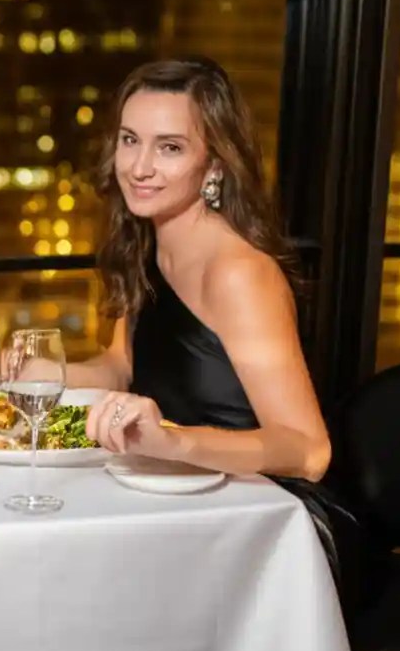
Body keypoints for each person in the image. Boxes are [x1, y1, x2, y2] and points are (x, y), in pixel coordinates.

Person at [65, 57, 331, 482]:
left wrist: (172, 442)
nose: (139, 167)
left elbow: (309, 451)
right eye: (130, 140)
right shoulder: (145, 241)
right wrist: (43, 375)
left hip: (261, 504)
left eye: (170, 147)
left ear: (215, 165)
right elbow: (121, 365)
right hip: (170, 485)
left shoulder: (238, 273)